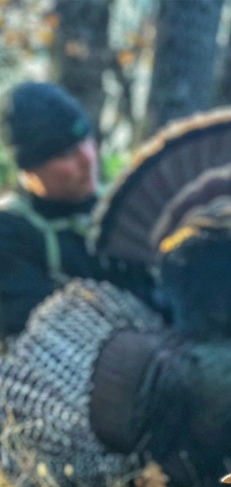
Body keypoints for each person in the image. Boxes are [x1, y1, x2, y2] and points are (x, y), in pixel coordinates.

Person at [0, 82, 153, 340]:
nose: (87, 158)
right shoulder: (11, 234)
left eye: (86, 138)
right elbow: (34, 337)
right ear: (30, 169)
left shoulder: (124, 209)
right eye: (67, 153)